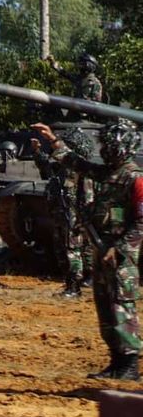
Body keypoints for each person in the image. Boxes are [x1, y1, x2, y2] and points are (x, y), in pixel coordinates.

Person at [32, 120, 142, 380]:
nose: (106, 150)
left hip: (120, 256)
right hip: (101, 251)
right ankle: (116, 360)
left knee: (121, 307)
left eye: (111, 146)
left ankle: (129, 364)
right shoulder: (108, 173)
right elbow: (77, 164)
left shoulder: (134, 179)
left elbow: (141, 220)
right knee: (104, 306)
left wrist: (121, 247)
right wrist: (53, 141)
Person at [33, 127, 94, 297]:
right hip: (59, 212)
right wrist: (37, 151)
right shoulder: (62, 168)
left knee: (71, 249)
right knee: (61, 249)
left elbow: (87, 196)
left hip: (72, 214)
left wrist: (84, 217)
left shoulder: (80, 167)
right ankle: (71, 282)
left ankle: (74, 286)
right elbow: (46, 167)